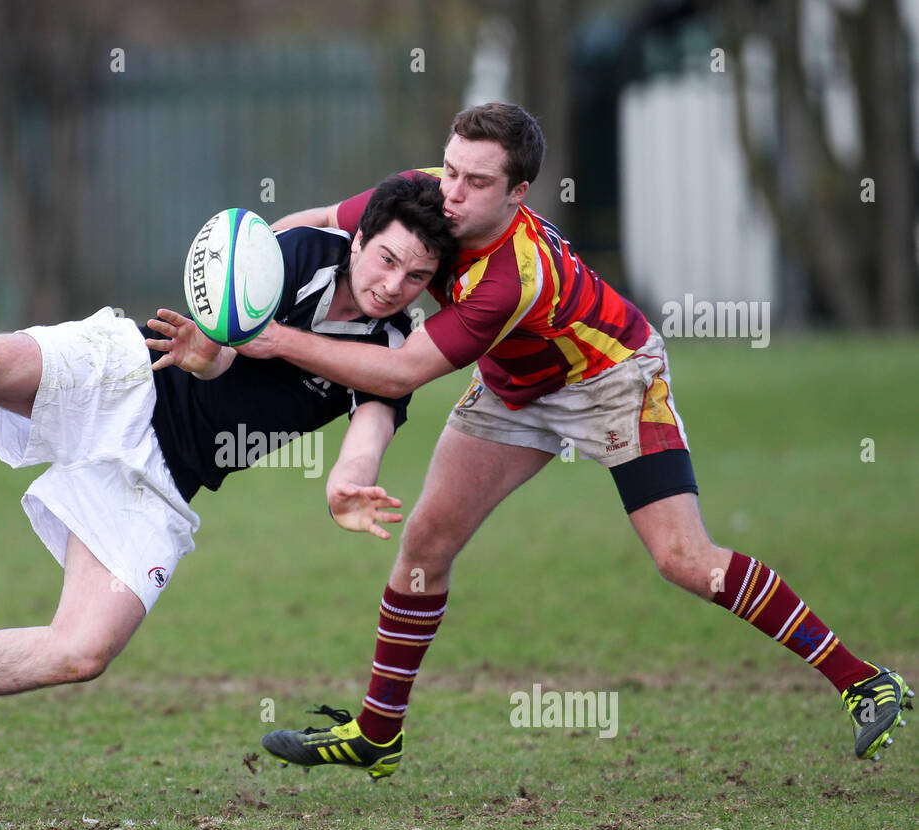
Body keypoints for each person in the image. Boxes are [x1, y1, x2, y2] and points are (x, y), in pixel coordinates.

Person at [254, 102, 911, 778]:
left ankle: (864, 681)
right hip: (516, 386)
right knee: (425, 542)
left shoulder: (511, 275)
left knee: (685, 559)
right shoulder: (424, 197)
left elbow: (400, 370)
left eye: (476, 182)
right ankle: (378, 733)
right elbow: (319, 221)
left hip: (611, 378)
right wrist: (248, 276)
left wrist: (272, 338)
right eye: (451, 169)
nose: (452, 191)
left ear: (517, 194)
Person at [0, 174, 456, 776]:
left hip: (161, 481)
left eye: (416, 277)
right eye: (388, 259)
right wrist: (207, 352)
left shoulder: (396, 351)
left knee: (81, 651)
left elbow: (368, 432)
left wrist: (346, 485)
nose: (393, 285)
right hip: (128, 374)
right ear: (360, 238)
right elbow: (220, 335)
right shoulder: (299, 253)